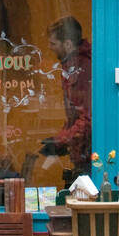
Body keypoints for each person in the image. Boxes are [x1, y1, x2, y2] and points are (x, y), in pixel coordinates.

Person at [39, 15, 92, 184]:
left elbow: (87, 118)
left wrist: (60, 141)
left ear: (68, 44)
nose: (50, 47)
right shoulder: (73, 66)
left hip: (90, 154)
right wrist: (59, 140)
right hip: (83, 151)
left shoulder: (83, 70)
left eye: (53, 43)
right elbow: (75, 117)